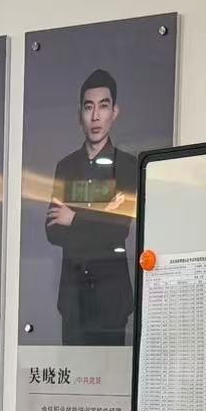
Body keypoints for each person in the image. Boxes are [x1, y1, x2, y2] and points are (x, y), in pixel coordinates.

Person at [45, 69, 139, 345]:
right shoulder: (66, 167)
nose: (95, 116)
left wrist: (74, 219)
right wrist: (99, 219)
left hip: (112, 298)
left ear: (115, 112)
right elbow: (53, 231)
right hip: (73, 299)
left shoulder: (127, 166)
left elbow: (118, 229)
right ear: (80, 115)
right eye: (89, 107)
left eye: (103, 106)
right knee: (72, 371)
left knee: (108, 371)